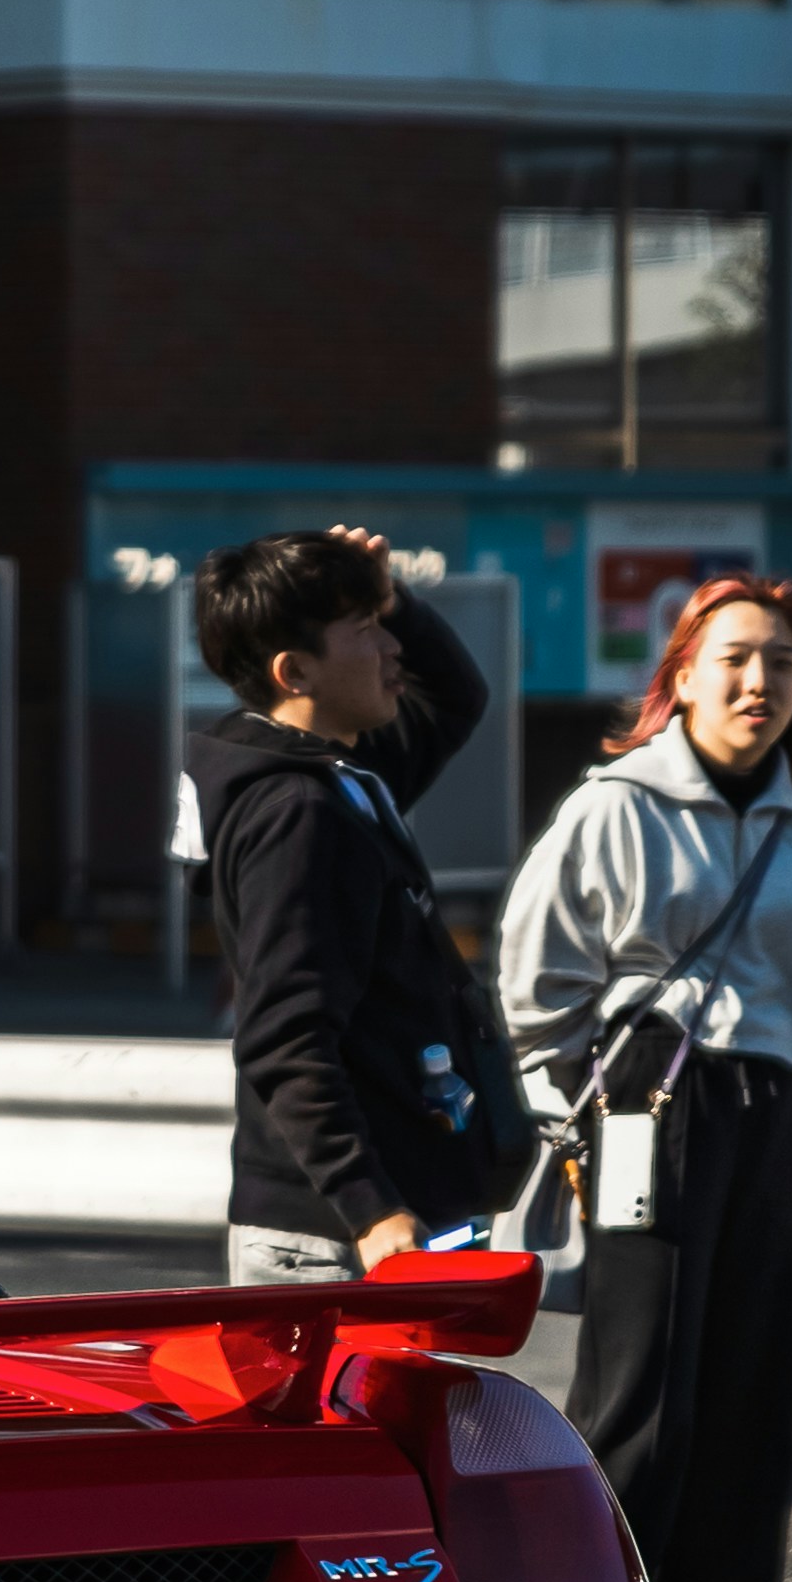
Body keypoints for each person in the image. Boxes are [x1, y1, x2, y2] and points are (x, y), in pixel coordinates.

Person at [497, 577, 792, 1582]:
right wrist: (574, 1111)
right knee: (641, 1393)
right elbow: (533, 979)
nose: (761, 683)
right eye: (737, 659)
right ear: (684, 676)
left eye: (786, 665)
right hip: (649, 1103)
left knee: (755, 1391)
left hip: (772, 1106)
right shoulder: (612, 806)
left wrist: (785, 1071)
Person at [185, 527, 525, 1289]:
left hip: (379, 1217)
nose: (390, 647)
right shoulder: (297, 813)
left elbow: (457, 697)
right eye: (365, 629)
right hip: (337, 1239)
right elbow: (284, 1037)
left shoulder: (339, 778)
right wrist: (369, 1208)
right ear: (294, 669)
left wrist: (392, 597)